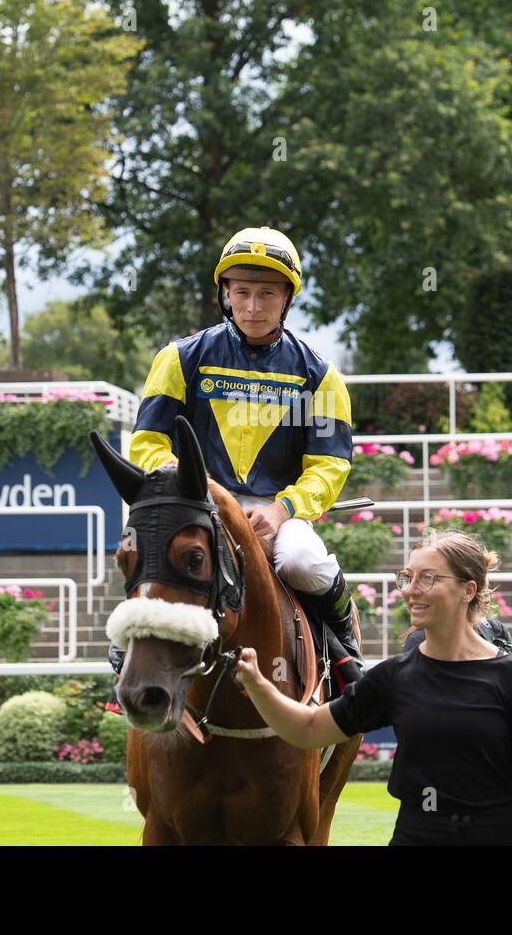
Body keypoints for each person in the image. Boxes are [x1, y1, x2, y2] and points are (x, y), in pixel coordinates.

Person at [110, 225, 365, 691]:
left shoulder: (321, 376)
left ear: (287, 298)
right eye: (242, 292)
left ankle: (346, 651)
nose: (252, 306)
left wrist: (282, 508)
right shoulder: (179, 358)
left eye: (266, 294)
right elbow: (148, 440)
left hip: (276, 510)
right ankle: (129, 647)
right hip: (196, 502)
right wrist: (185, 490)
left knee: (304, 563)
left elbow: (330, 464)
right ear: (225, 292)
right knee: (143, 550)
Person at [233, 527, 512, 846]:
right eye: (407, 577)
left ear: (468, 590)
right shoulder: (394, 677)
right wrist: (259, 684)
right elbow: (308, 729)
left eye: (427, 578)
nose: (409, 590)